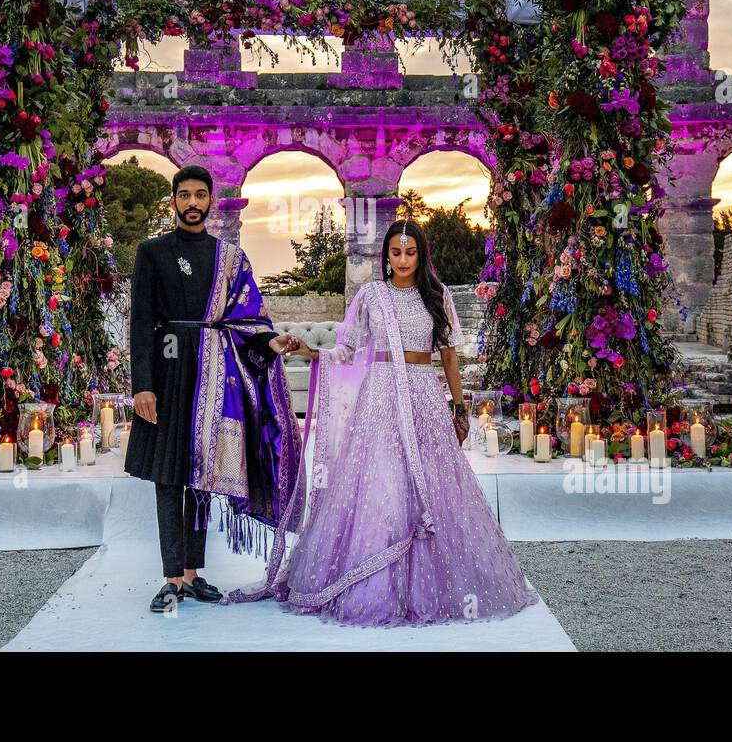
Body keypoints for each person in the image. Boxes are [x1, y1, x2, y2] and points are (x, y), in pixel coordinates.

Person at [226, 218, 540, 626]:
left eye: (411, 252)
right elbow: (348, 350)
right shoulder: (372, 295)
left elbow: (448, 356)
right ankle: (373, 583)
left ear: (422, 254)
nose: (404, 259)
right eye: (396, 252)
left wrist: (459, 407)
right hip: (380, 396)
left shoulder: (438, 296)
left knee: (434, 477)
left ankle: (435, 587)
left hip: (424, 394)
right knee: (382, 481)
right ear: (385, 256)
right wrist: (311, 351)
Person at [127, 164, 301, 613]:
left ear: (210, 201)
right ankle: (170, 579)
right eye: (183, 195)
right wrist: (142, 386)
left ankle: (192, 574)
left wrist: (271, 341)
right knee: (168, 477)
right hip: (167, 375)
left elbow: (248, 320)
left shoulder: (229, 258)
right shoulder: (152, 252)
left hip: (212, 379)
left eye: (199, 195)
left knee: (200, 477)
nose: (192, 203)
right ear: (173, 202)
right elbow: (141, 324)